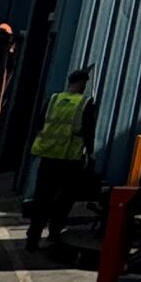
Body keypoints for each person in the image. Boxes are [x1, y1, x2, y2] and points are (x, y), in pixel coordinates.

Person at [24, 70, 99, 252]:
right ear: (82, 83)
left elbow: (40, 124)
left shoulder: (54, 100)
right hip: (70, 160)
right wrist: (90, 154)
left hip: (49, 157)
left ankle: (33, 238)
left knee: (42, 198)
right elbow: (88, 131)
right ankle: (54, 234)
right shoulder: (85, 103)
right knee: (65, 199)